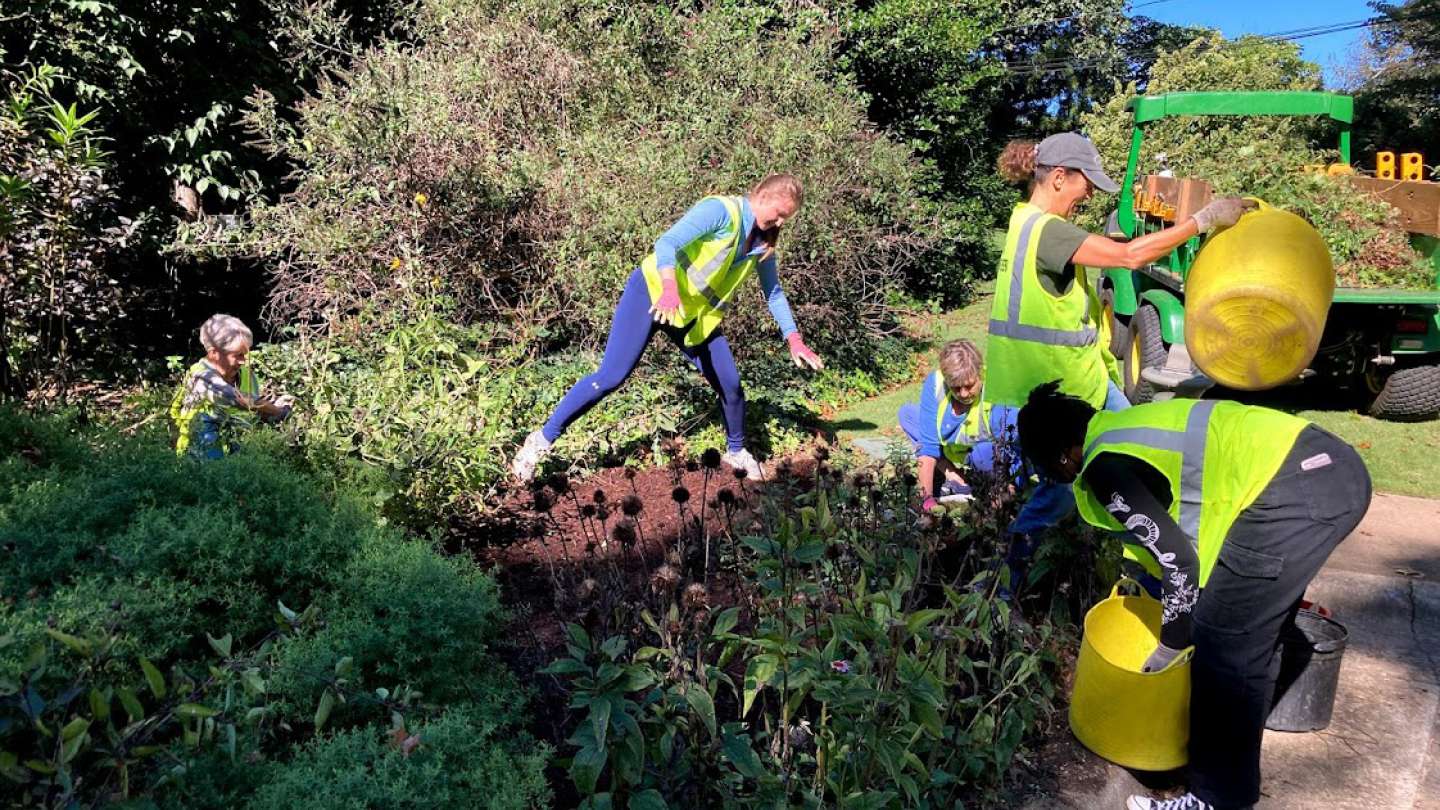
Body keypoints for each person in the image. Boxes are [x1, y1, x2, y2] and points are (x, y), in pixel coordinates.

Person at [1016, 382, 1373, 810]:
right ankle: (1237, 751)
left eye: (1049, 471)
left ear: (1063, 454)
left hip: (1293, 492)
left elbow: (1178, 562)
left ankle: (1215, 798)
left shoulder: (1101, 466)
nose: (1055, 479)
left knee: (1223, 647)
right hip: (1326, 470)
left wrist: (1169, 645)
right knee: (1252, 634)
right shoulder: (1123, 428)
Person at [511, 174, 824, 482]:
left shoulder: (763, 244)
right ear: (763, 197)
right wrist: (669, 288)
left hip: (692, 316)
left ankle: (736, 452)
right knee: (611, 376)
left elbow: (773, 292)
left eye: (787, 218)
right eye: (780, 214)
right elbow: (667, 242)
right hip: (652, 293)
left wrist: (793, 339)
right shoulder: (721, 211)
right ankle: (539, 442)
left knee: (730, 384)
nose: (781, 223)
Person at [988, 133, 1252, 413]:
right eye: (1088, 184)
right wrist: (1203, 220)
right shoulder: (1049, 231)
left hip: (1070, 382)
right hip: (1061, 393)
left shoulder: (1022, 220)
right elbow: (1130, 256)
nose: (1089, 195)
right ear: (1059, 178)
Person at [897, 339, 1073, 539]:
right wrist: (926, 503)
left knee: (983, 453)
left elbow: (1020, 447)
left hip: (991, 452)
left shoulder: (997, 394)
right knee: (908, 415)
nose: (963, 394)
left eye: (969, 386)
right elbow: (927, 450)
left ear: (979, 373)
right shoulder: (936, 384)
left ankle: (995, 489)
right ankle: (954, 476)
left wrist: (1008, 491)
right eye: (955, 388)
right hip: (957, 450)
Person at [170, 314, 293, 459]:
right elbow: (234, 398)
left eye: (245, 354)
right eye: (238, 355)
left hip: (240, 460)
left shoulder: (247, 375)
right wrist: (279, 411)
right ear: (214, 353)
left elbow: (255, 412)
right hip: (199, 462)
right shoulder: (201, 377)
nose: (243, 361)